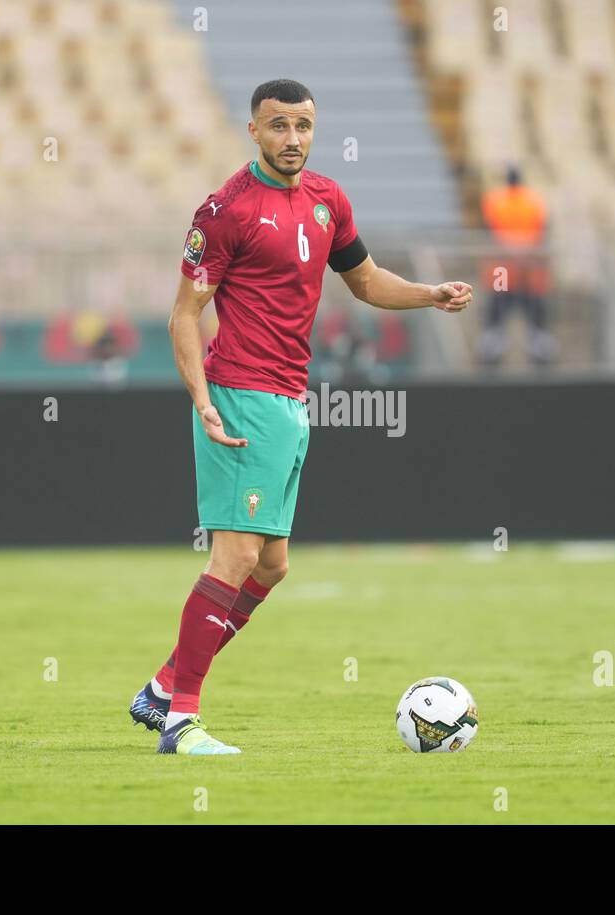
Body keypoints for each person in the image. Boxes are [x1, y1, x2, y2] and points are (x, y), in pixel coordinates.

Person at [129, 78, 473, 755]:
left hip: (290, 399)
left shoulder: (326, 201)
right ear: (253, 131)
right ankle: (180, 723)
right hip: (239, 395)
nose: (293, 139)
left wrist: (429, 294)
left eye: (303, 126)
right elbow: (183, 316)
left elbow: (366, 280)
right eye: (278, 126)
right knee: (234, 557)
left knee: (272, 566)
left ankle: (165, 685)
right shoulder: (224, 211)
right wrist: (202, 401)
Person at [478, 165, 559, 367]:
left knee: (500, 316)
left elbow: (489, 232)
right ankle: (534, 351)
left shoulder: (496, 200)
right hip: (526, 269)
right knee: (528, 317)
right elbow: (542, 232)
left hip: (505, 270)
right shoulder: (533, 200)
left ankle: (497, 351)